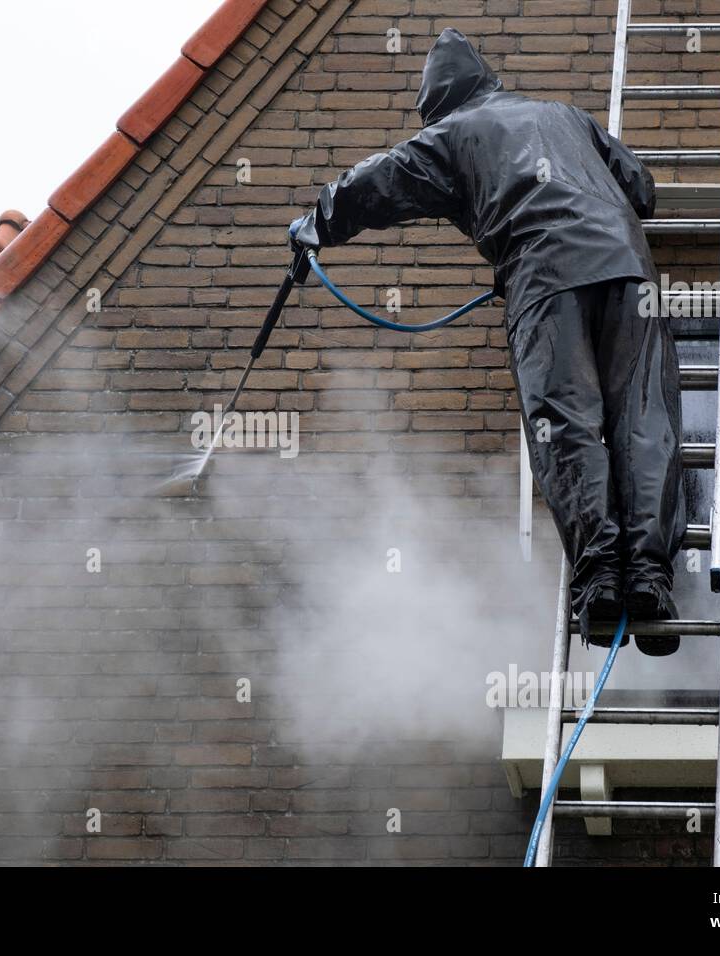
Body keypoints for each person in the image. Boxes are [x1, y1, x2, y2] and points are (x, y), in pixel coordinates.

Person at [289, 28, 686, 656]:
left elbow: (377, 183)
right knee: (644, 416)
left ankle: (602, 578)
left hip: (547, 278)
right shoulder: (566, 117)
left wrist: (315, 223)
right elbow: (642, 190)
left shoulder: (452, 134)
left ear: (441, 104)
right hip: (628, 268)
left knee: (565, 420)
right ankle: (653, 578)